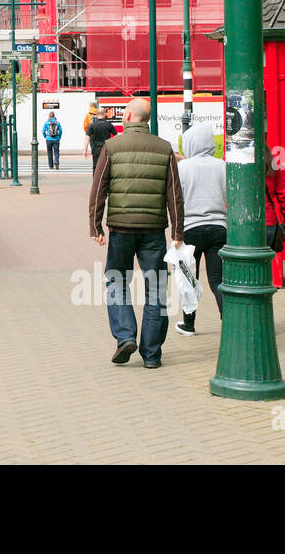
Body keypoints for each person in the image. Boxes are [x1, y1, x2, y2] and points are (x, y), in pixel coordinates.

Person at [88, 98, 184, 369]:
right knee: (156, 289)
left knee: (117, 281)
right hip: (154, 230)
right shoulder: (164, 149)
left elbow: (98, 190)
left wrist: (96, 227)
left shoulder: (112, 147)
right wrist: (178, 231)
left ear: (128, 114)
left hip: (120, 228)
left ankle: (125, 336)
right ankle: (152, 354)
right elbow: (174, 195)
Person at [173, 122, 226, 336]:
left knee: (188, 277)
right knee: (218, 279)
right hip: (219, 228)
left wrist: (176, 232)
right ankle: (229, 320)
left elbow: (177, 201)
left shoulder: (183, 167)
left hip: (190, 230)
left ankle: (189, 323)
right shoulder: (222, 165)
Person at [265, 151, 285, 254]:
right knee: (265, 261)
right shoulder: (273, 162)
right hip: (268, 220)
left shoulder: (233, 156)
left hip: (237, 222)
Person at [86, 106, 117, 170]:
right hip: (106, 148)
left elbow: (87, 137)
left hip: (95, 148)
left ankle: (95, 179)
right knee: (106, 166)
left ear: (97, 114)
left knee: (96, 166)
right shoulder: (109, 125)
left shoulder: (92, 125)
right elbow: (116, 136)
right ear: (104, 114)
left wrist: (85, 149)